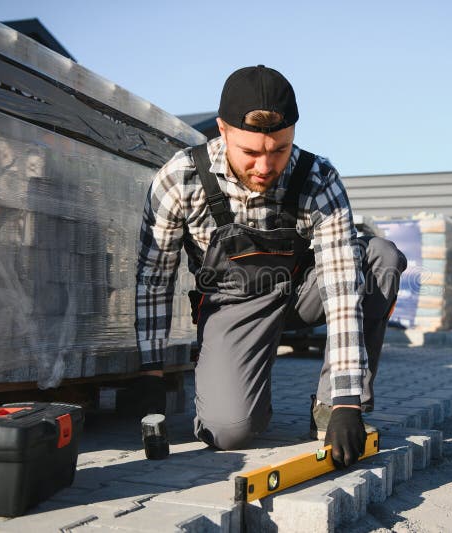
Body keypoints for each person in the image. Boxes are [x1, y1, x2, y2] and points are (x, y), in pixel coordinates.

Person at [135, 65, 406, 467]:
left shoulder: (317, 178)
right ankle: (241, 401)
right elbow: (153, 279)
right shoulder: (181, 179)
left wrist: (348, 400)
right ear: (223, 131)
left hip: (300, 293)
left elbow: (343, 283)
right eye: (251, 153)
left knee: (379, 256)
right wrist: (151, 371)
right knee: (230, 432)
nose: (265, 166)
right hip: (233, 307)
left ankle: (328, 408)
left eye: (279, 150)